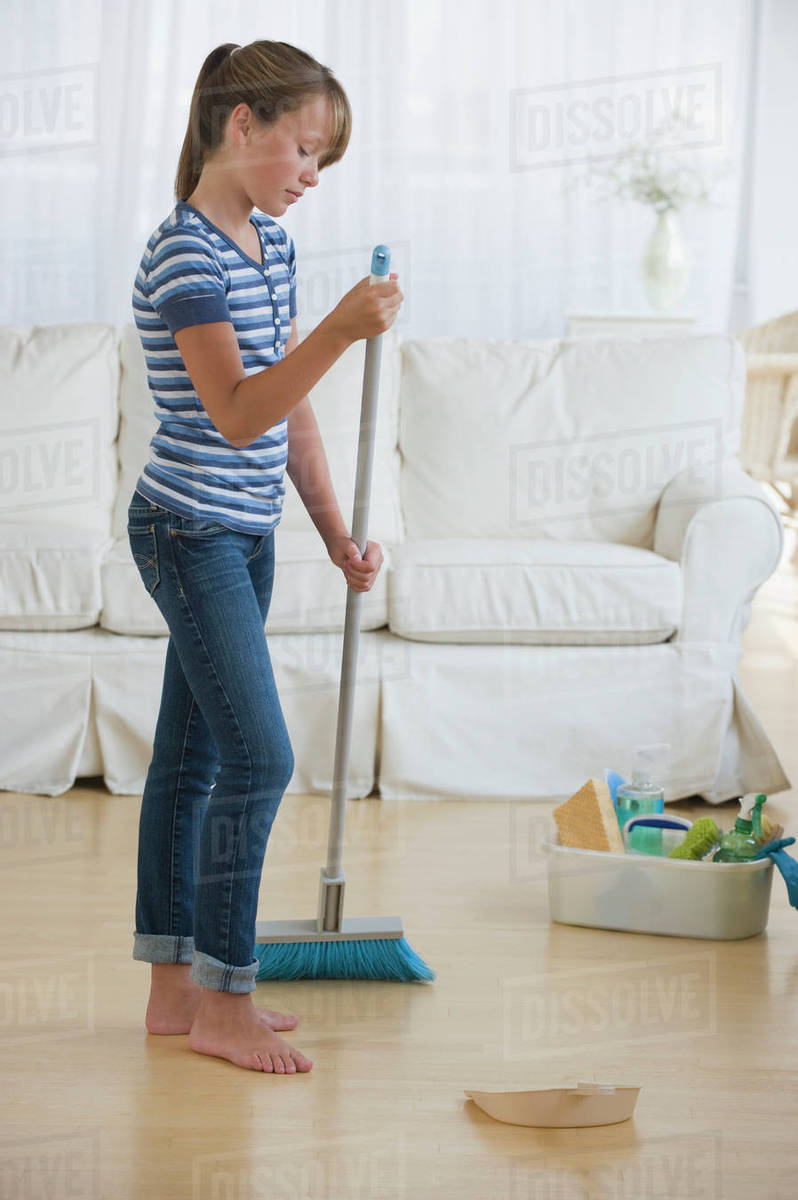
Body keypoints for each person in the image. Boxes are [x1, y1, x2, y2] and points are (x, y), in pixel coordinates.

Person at [128, 39, 403, 1075]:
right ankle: (224, 1000)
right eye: (304, 148)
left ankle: (172, 992)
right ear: (242, 126)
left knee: (194, 760)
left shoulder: (272, 249)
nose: (312, 176)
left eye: (325, 161)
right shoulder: (185, 254)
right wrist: (339, 328)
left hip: (246, 537)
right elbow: (239, 414)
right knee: (260, 758)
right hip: (185, 532)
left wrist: (334, 535)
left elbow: (290, 419)